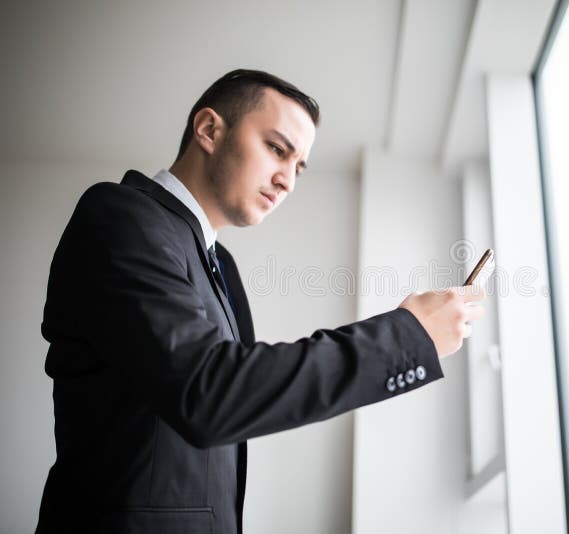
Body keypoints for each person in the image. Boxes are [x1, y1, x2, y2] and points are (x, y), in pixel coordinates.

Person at [35, 69, 485, 533]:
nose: (288, 180)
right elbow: (209, 394)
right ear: (209, 130)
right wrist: (403, 338)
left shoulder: (222, 265)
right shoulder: (120, 215)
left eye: (299, 166)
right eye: (277, 149)